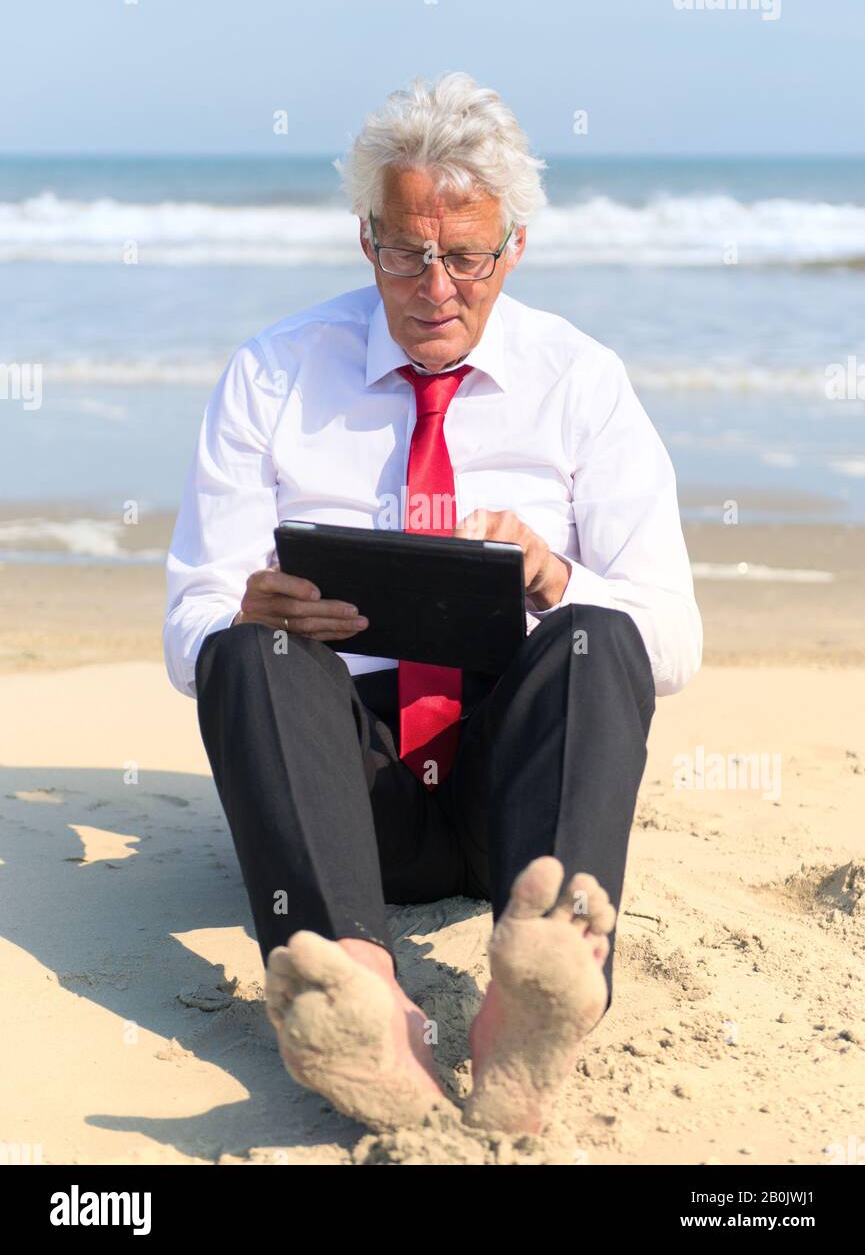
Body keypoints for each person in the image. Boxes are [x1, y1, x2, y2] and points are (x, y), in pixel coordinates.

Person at [163, 72, 702, 1134]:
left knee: (601, 631)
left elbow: (672, 642)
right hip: (348, 795)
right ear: (366, 238)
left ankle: (524, 1001)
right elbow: (188, 629)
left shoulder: (580, 380)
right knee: (244, 649)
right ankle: (361, 989)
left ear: (513, 249)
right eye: (408, 251)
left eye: (466, 257)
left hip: (520, 803)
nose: (436, 284)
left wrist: (557, 579)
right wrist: (249, 610)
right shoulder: (272, 374)